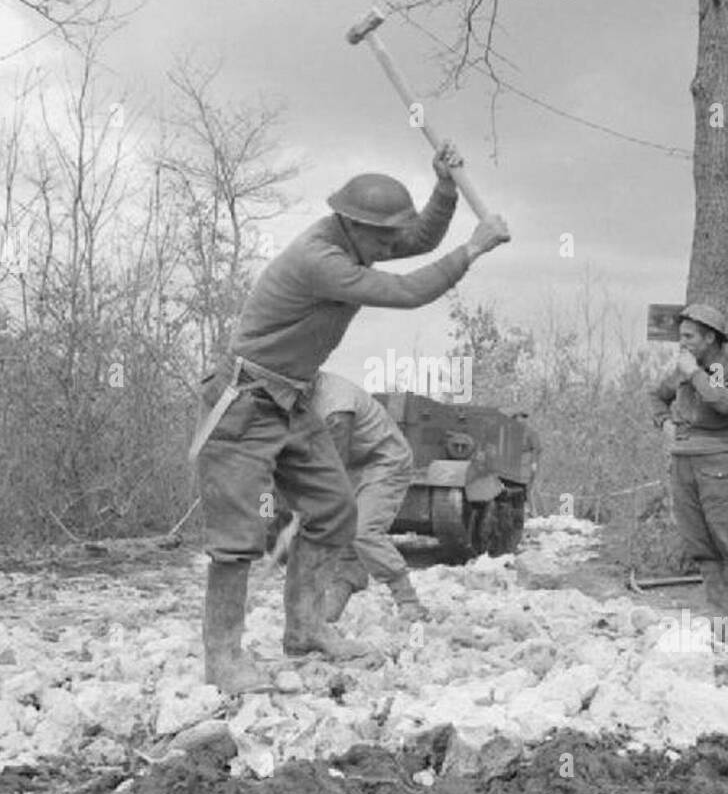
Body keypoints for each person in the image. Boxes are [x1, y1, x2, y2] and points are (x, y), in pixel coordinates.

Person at [193, 143, 510, 695]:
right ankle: (223, 661)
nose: (392, 247)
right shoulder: (322, 259)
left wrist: (445, 189)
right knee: (237, 537)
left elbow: (416, 240)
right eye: (383, 238)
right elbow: (408, 290)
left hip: (294, 400)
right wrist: (472, 250)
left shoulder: (356, 241)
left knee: (334, 511)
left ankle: (307, 629)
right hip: (245, 402)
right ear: (356, 225)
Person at [649, 303, 728, 619]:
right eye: (681, 336)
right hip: (683, 462)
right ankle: (722, 620)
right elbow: (657, 395)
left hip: (721, 464)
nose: (682, 343)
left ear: (710, 337)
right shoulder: (684, 369)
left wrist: (695, 375)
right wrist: (665, 423)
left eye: (689, 336)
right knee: (701, 546)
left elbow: (726, 401)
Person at [309, 370, 429, 623]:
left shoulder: (336, 405)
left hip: (385, 459)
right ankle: (332, 608)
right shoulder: (295, 396)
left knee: (363, 531)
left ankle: (408, 601)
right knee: (341, 533)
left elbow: (332, 468)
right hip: (355, 463)